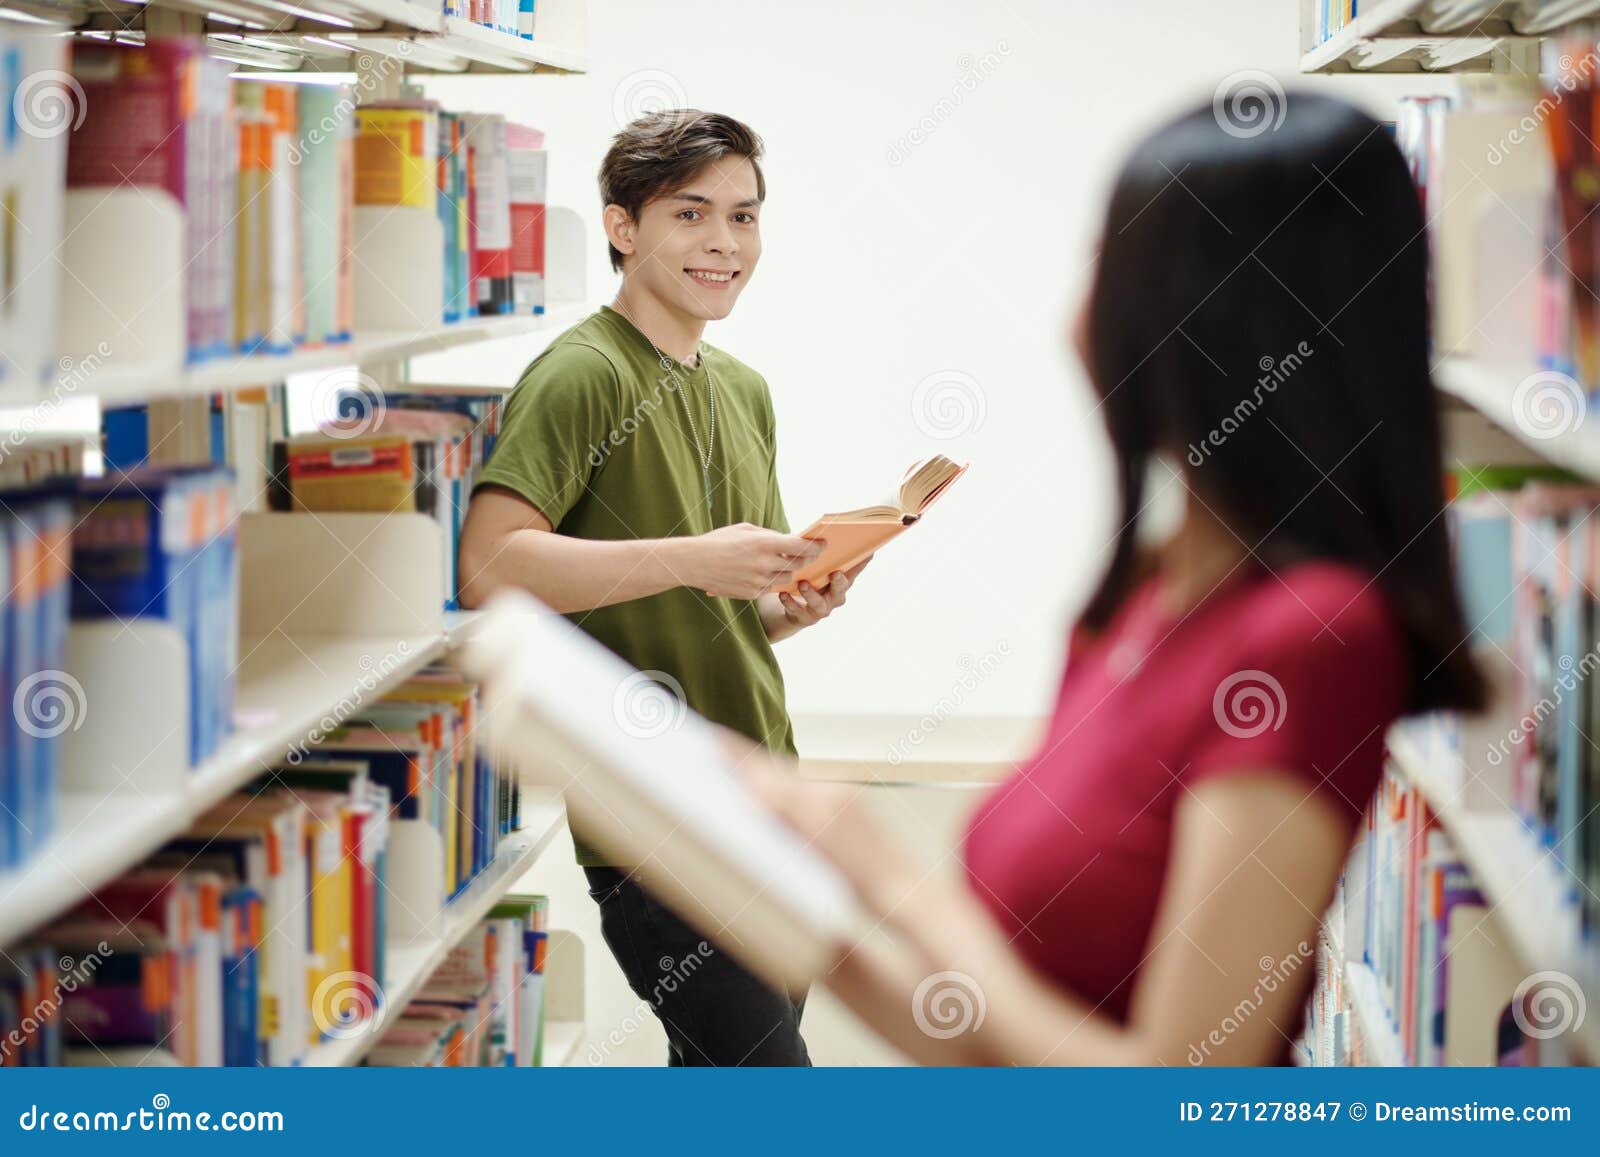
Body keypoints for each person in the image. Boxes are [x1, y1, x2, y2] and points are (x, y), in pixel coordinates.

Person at [730, 92, 1487, 1065]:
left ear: (1212, 317)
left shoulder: (1311, 637)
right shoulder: (1143, 593)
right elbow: (992, 1027)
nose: (1074, 312)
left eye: (1105, 259)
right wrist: (789, 896)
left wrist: (885, 876)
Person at [458, 110, 865, 1066]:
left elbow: (733, 600)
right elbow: (489, 563)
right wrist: (690, 556)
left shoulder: (742, 387)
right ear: (622, 227)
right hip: (650, 811)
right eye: (692, 214)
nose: (725, 243)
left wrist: (791, 601)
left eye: (745, 216)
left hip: (760, 787)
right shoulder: (580, 373)